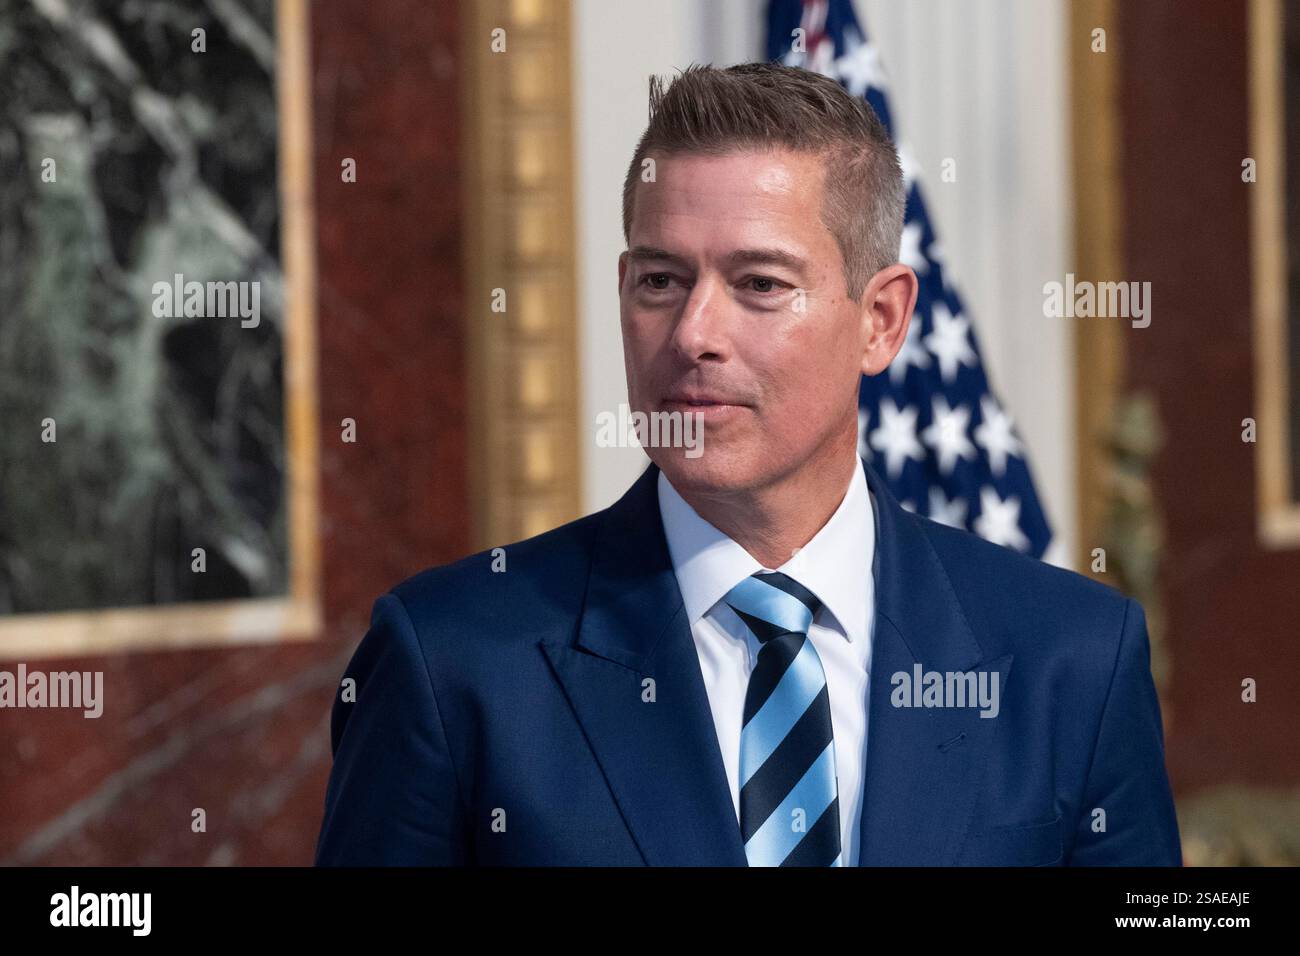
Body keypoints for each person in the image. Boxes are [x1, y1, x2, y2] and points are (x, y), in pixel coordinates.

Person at [315, 62, 1181, 866]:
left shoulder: (1072, 658)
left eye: (760, 284)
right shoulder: (451, 662)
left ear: (881, 320)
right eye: (660, 281)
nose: (694, 334)